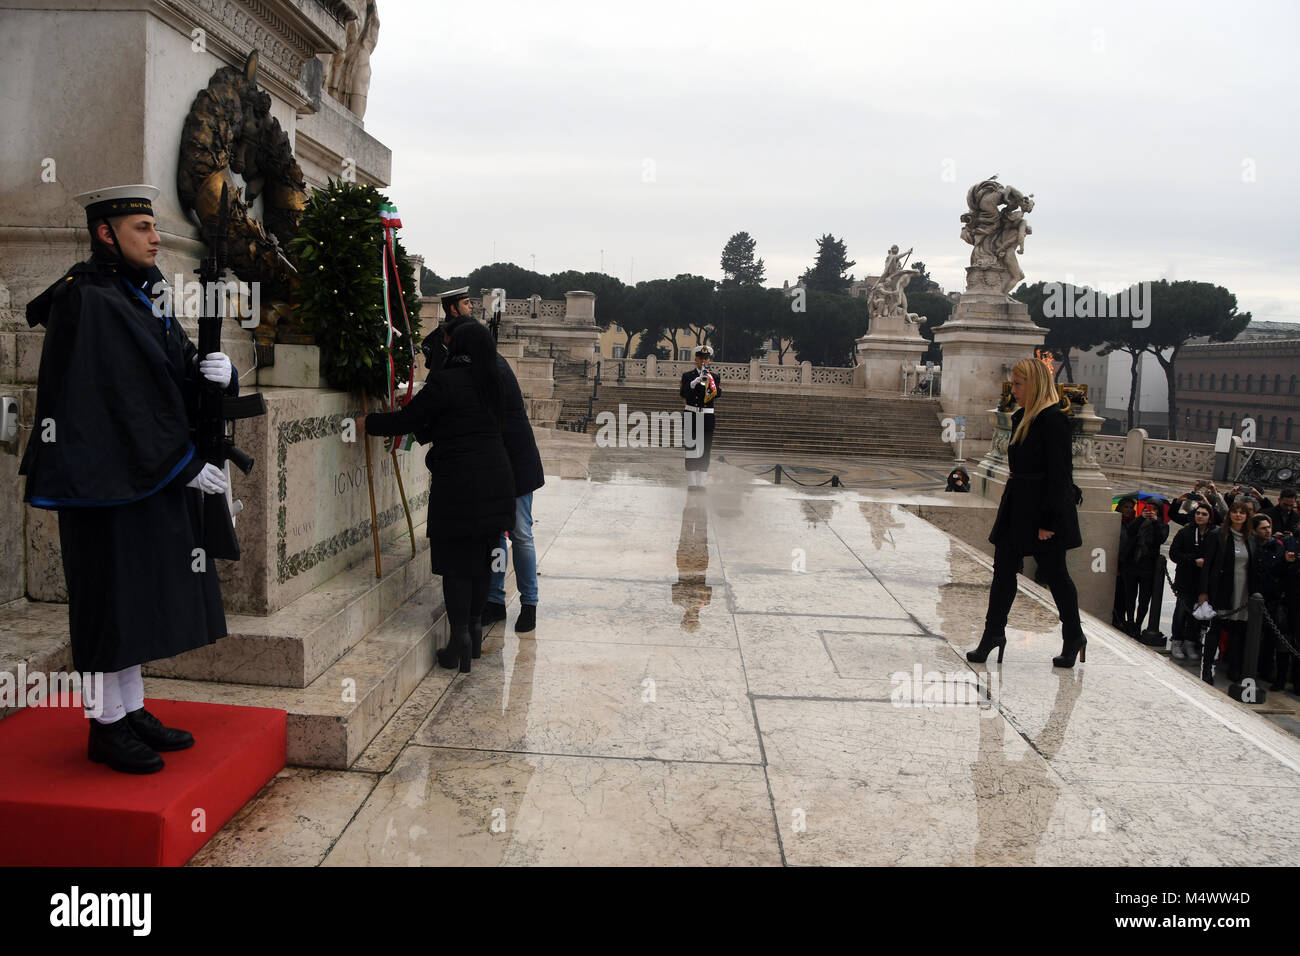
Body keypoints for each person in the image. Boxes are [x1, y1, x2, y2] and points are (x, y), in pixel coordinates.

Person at [19, 184, 238, 774]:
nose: (155, 236)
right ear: (105, 234)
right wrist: (184, 463)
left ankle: (131, 709)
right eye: (141, 227)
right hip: (102, 478)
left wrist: (217, 373)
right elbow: (110, 401)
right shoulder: (88, 300)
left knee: (136, 599)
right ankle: (104, 724)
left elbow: (173, 373)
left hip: (142, 475)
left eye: (153, 225)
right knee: (105, 600)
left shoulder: (145, 294)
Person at [363, 322, 515, 673]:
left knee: (455, 564)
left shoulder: (446, 382)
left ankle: (457, 640)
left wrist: (367, 423)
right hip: (496, 483)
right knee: (480, 562)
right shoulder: (494, 383)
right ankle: (475, 634)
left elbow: (407, 420)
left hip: (459, 486)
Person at [968, 357, 1085, 667]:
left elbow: (1060, 475)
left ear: (1034, 384)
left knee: (1057, 575)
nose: (1013, 390)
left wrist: (1049, 521)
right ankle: (993, 634)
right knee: (1003, 571)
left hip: (1043, 510)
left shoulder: (1054, 420)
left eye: (1019, 384)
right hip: (1018, 505)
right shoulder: (1022, 417)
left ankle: (1074, 635)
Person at [1197, 501, 1257, 684]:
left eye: (1242, 512)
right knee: (1215, 629)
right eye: (1235, 512)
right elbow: (1209, 565)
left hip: (1243, 590)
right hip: (1222, 589)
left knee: (1237, 631)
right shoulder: (1218, 535)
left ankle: (1234, 669)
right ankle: (1206, 668)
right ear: (1229, 514)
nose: (1238, 515)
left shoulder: (1251, 538)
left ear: (1247, 516)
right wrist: (1204, 591)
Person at [1168, 502, 1215, 661]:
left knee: (1197, 614)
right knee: (1181, 611)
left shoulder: (1214, 534)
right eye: (1198, 513)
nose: (1200, 516)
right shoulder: (1184, 532)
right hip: (1185, 578)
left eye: (1204, 514)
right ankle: (1177, 640)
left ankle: (1190, 641)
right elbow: (1174, 554)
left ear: (1209, 518)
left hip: (1203, 581)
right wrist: (1193, 560)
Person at [680, 344, 721, 489]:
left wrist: (707, 380)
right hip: (691, 414)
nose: (703, 361)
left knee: (705, 449)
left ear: (709, 360)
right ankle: (692, 482)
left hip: (707, 417)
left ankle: (702, 482)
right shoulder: (687, 377)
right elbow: (683, 394)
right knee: (692, 449)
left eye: (706, 358)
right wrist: (693, 384)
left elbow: (717, 394)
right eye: (700, 358)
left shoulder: (714, 377)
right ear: (695, 359)